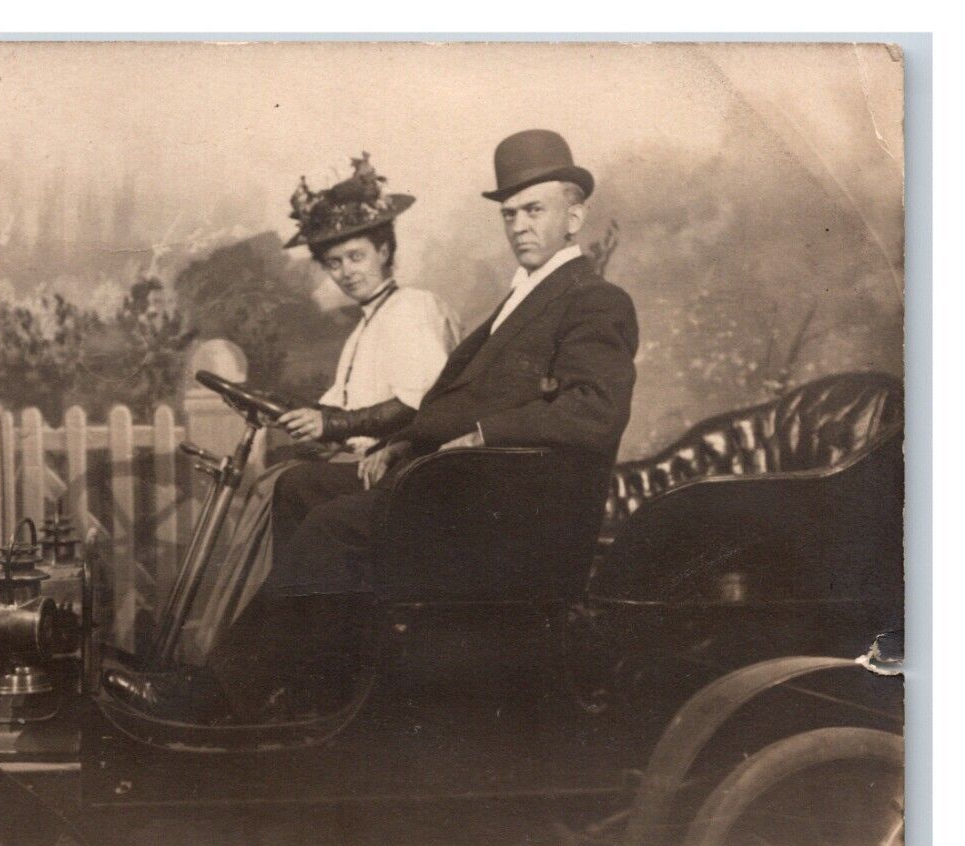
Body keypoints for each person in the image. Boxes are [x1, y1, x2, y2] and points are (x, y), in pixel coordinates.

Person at [106, 129, 639, 723]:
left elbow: (593, 411)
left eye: (534, 210)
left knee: (333, 527)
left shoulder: (593, 299)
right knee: (302, 489)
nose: (518, 226)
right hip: (459, 487)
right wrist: (404, 441)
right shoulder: (521, 298)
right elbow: (450, 402)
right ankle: (315, 683)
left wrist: (484, 437)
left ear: (575, 215)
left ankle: (221, 696)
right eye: (509, 213)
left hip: (508, 513)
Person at [182, 154, 459, 663]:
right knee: (278, 482)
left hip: (403, 472)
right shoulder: (365, 326)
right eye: (333, 264)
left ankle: (282, 653)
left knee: (289, 486)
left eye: (355, 257)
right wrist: (305, 420)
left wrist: (332, 424)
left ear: (384, 249)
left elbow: (419, 404)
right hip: (363, 464)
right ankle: (280, 648)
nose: (345, 273)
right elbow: (337, 407)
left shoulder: (413, 309)